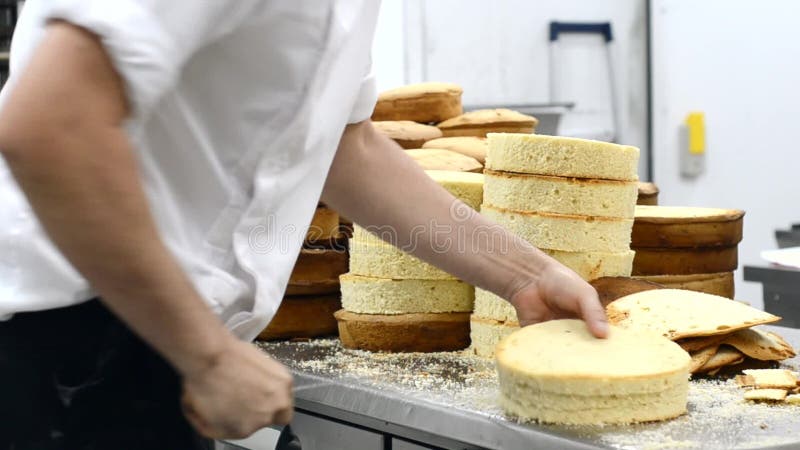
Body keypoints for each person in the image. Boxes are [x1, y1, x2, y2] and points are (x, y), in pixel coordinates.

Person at [0, 1, 608, 448]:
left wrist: (525, 276)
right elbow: (51, 124)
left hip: (143, 348)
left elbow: (347, 148)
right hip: (64, 354)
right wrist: (208, 355)